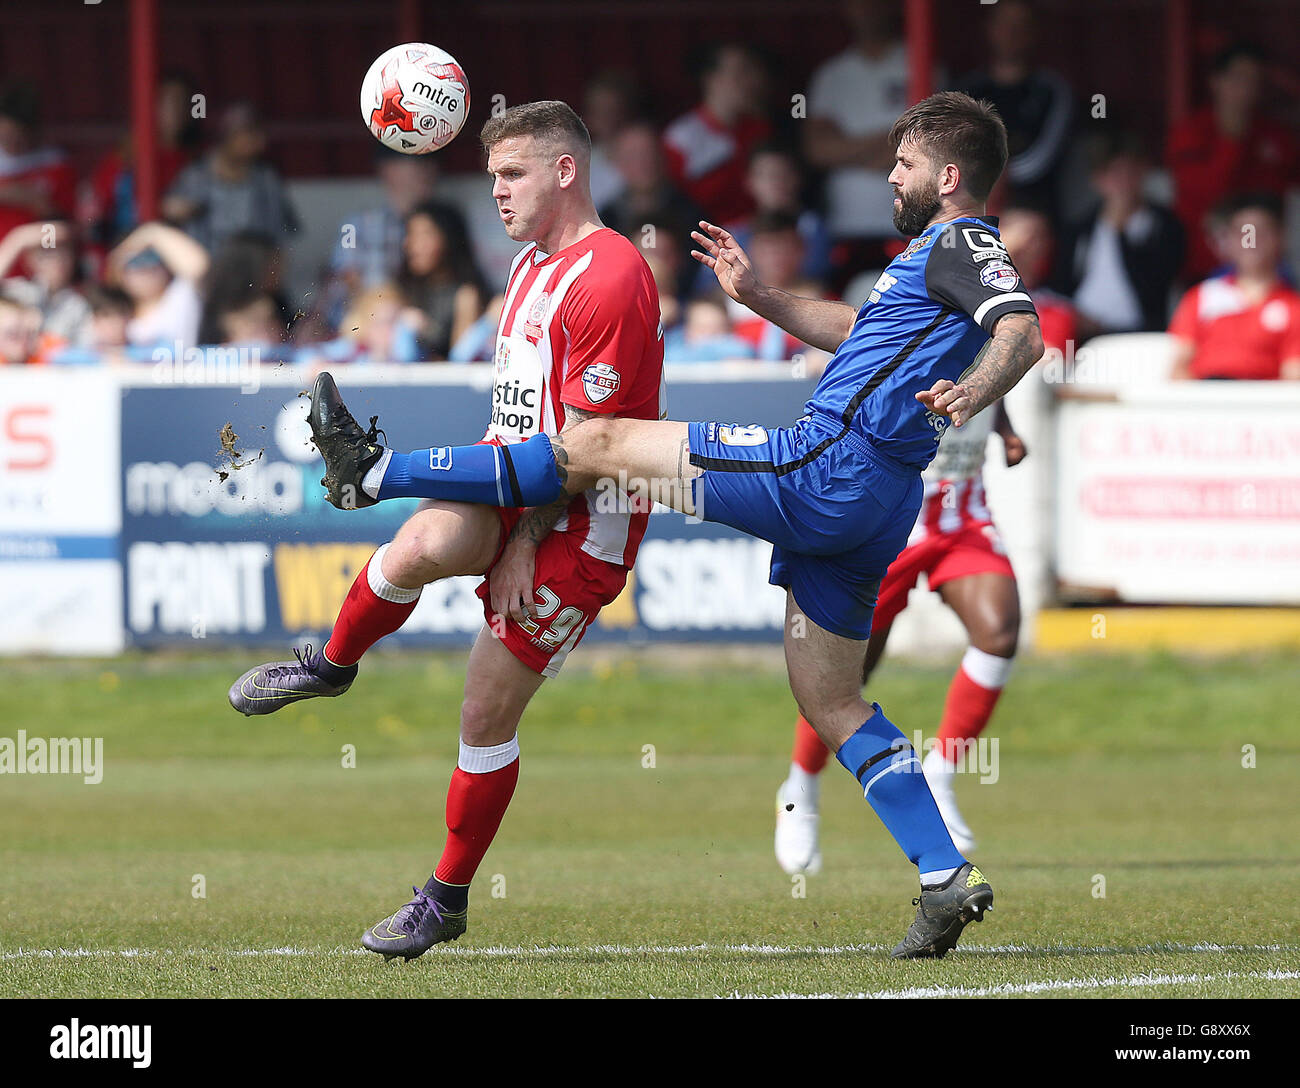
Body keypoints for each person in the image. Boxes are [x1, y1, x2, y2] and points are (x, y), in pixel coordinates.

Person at [296, 92, 1046, 960]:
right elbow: (860, 330)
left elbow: (1020, 332)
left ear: (950, 177)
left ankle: (376, 471)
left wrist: (972, 392)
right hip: (877, 502)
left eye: (906, 164)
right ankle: (944, 875)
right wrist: (760, 295)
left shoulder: (962, 241)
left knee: (595, 441)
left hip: (823, 467)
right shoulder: (929, 260)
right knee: (832, 699)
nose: (891, 175)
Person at [226, 101, 666, 961]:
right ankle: (331, 664)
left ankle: (445, 898)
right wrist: (507, 525)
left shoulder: (609, 276)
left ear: (566, 171)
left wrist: (528, 539)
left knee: (483, 712)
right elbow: (520, 426)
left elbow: (582, 455)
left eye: (513, 175)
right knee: (417, 546)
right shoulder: (534, 267)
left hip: (583, 522)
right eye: (492, 176)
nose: (495, 193)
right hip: (521, 488)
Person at [774, 396, 1027, 873]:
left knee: (999, 633)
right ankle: (800, 792)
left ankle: (942, 773)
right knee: (842, 679)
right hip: (889, 518)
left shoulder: (991, 324)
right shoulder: (900, 325)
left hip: (961, 516)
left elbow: (996, 362)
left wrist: (1005, 428)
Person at [804, 0, 915, 291]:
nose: (868, 10)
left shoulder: (918, 61)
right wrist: (886, 142)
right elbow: (818, 150)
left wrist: (845, 148)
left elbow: (927, 146)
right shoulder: (832, 74)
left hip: (907, 225)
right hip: (845, 226)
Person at [1167, 43, 1297, 282]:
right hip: (1203, 264)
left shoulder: (1275, 135)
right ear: (1216, 81)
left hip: (1266, 268)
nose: (1247, 88)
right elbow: (1208, 191)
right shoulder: (1191, 132)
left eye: (1254, 80)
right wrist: (1232, 140)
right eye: (1239, 78)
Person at [1054, 132, 1184, 339]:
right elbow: (1062, 283)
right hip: (1081, 334)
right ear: (1097, 179)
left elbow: (1155, 288)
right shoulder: (1080, 228)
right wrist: (1073, 316)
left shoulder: (1164, 226)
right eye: (1113, 173)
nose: (1122, 181)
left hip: (1140, 336)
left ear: (1144, 171)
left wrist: (1120, 233)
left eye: (1130, 171)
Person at [955, 0, 1073, 219]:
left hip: (1034, 215)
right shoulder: (966, 90)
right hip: (972, 213)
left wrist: (986, 166)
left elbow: (1040, 160)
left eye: (1020, 25)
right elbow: (950, 154)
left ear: (1033, 33)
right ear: (989, 29)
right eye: (1004, 24)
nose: (1011, 33)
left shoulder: (1052, 91)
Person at [1168, 192, 1300, 381]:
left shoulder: (1294, 307)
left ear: (1280, 238)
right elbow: (1178, 367)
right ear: (1227, 240)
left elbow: (1293, 377)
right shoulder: (1201, 296)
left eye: (1261, 231)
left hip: (1260, 403)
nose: (1252, 241)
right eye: (1244, 232)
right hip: (1205, 397)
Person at [162, 102, 298, 255]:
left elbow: (281, 238)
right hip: (203, 272)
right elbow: (168, 214)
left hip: (253, 273)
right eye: (248, 134)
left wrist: (272, 276)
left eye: (259, 135)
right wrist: (176, 209)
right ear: (227, 135)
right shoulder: (196, 176)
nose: (258, 143)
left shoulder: (266, 179)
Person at [662, 43, 772, 225]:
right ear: (710, 78)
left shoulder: (761, 130)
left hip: (761, 239)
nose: (750, 81)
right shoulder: (681, 138)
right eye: (740, 73)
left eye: (751, 72)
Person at [396, 201, 487, 360]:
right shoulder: (405, 288)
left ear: (448, 239)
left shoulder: (466, 295)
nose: (410, 245)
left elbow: (459, 361)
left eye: (424, 235)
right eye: (410, 234)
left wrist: (427, 331)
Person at [106, 220, 209, 350]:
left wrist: (151, 232)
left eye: (151, 257)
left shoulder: (179, 295)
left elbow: (198, 267)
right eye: (134, 261)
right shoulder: (112, 307)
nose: (144, 268)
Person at [0, 220, 91, 346]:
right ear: (31, 260)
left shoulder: (78, 303)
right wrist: (19, 239)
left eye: (64, 252)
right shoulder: (19, 291)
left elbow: (86, 349)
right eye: (48, 253)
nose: (58, 260)